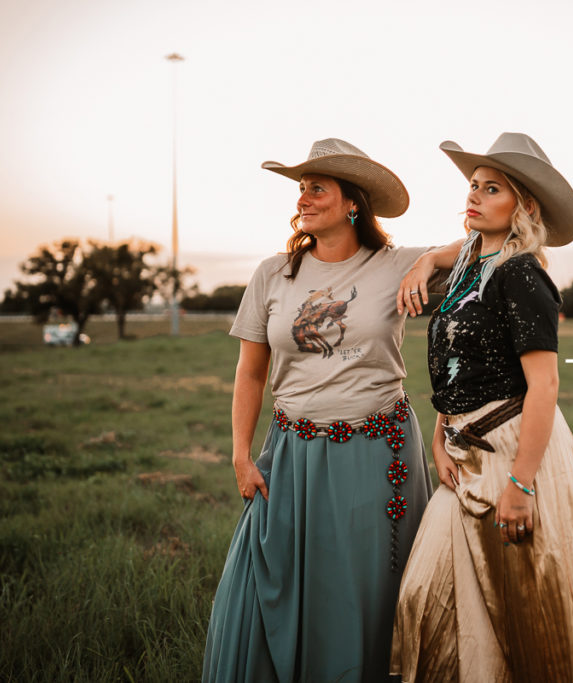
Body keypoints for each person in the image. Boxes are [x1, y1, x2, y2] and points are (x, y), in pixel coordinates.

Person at [203, 138, 457, 682]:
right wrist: (241, 455)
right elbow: (250, 373)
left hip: (378, 453)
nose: (303, 197)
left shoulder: (396, 265)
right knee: (280, 583)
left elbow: (483, 244)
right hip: (292, 454)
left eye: (317, 187)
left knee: (369, 586)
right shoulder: (274, 274)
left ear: (353, 204)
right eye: (301, 187)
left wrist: (431, 259)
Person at [391, 133, 573, 682]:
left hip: (515, 450)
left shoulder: (522, 274)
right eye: (473, 185)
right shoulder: (468, 260)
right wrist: (443, 433)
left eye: (492, 189)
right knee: (424, 595)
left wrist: (521, 485)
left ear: (524, 205)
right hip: (462, 451)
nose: (475, 196)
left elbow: (545, 386)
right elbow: (453, 362)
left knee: (528, 613)